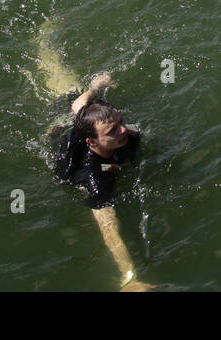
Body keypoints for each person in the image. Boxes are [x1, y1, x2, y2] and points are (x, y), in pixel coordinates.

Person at [51, 73, 151, 291]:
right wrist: (129, 276)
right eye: (112, 130)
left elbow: (79, 105)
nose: (123, 130)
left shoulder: (109, 132)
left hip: (84, 124)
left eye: (120, 122)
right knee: (57, 84)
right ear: (92, 141)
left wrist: (94, 87)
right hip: (59, 130)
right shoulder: (94, 178)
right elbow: (108, 228)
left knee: (76, 98)